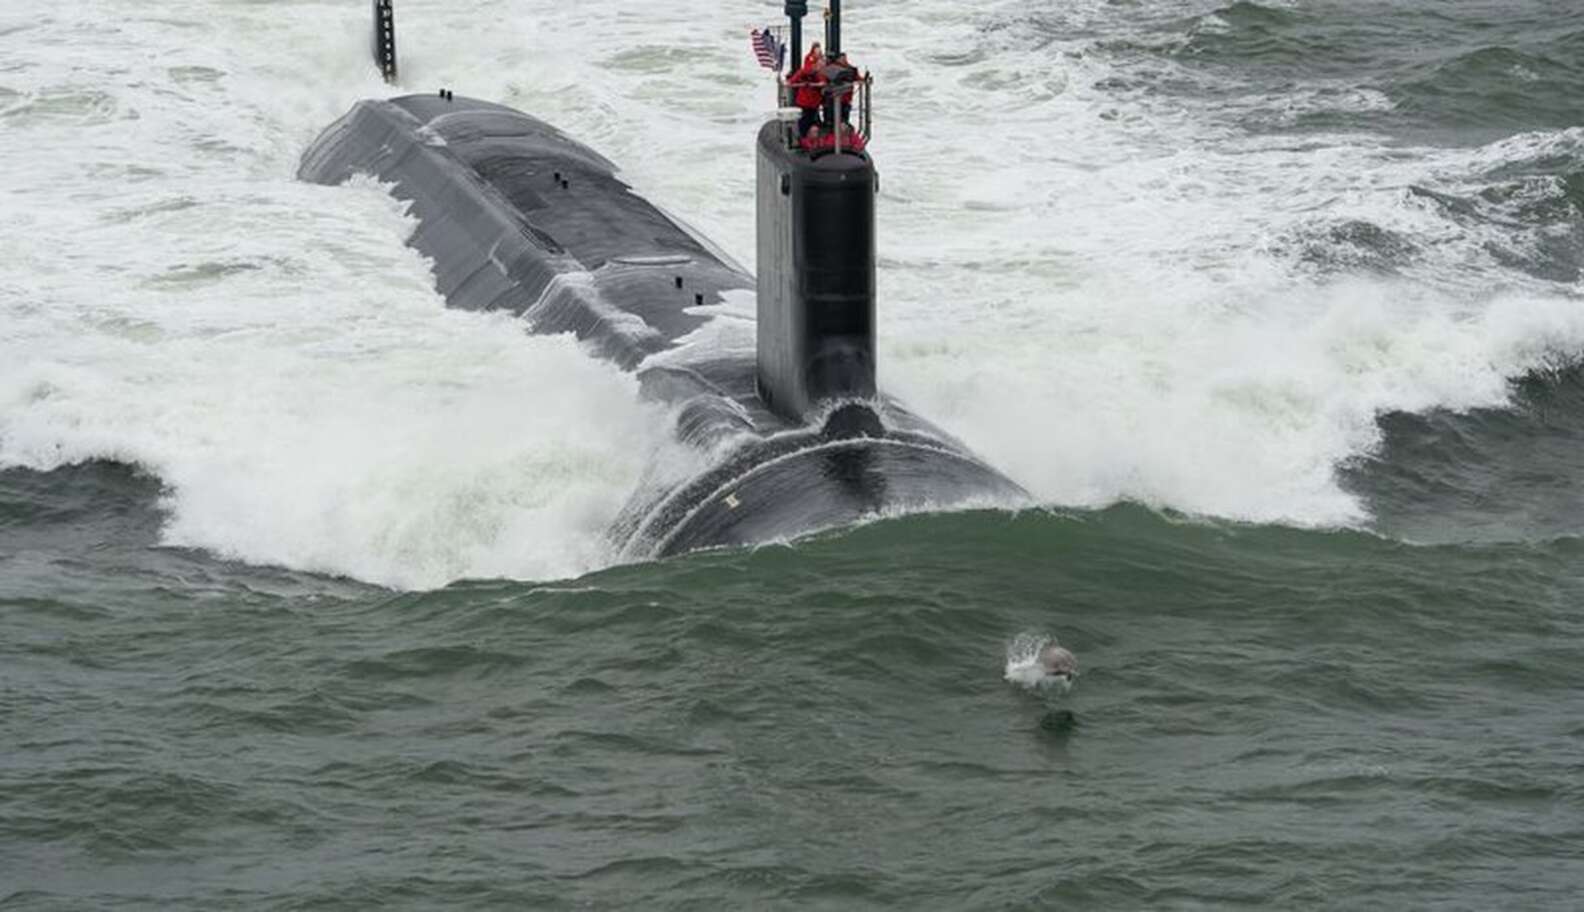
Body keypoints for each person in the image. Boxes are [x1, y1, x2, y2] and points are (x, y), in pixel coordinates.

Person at [787, 43, 827, 138]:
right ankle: (804, 138)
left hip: (814, 102)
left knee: (812, 120)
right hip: (804, 102)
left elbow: (823, 82)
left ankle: (811, 137)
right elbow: (792, 81)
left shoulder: (820, 73)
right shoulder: (805, 70)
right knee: (804, 122)